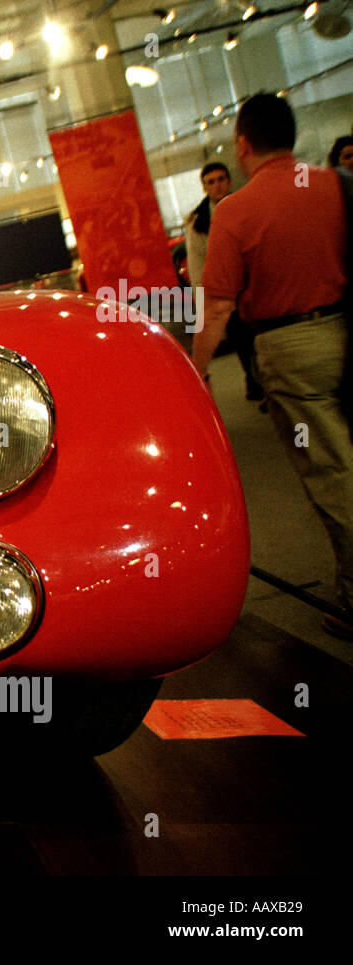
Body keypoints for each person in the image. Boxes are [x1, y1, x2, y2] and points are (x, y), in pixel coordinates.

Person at [193, 93, 352, 639]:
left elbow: (216, 306)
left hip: (291, 354)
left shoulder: (234, 211)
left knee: (332, 472)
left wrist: (195, 370)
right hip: (345, 331)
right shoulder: (334, 184)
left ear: (242, 144)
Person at [184, 162, 261, 401]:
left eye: (220, 179)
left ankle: (260, 381)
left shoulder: (249, 208)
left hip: (253, 290)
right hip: (224, 294)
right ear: (205, 187)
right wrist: (201, 301)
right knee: (241, 340)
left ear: (229, 181)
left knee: (259, 339)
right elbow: (197, 264)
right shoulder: (198, 222)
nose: (216, 185)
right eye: (211, 181)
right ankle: (254, 379)